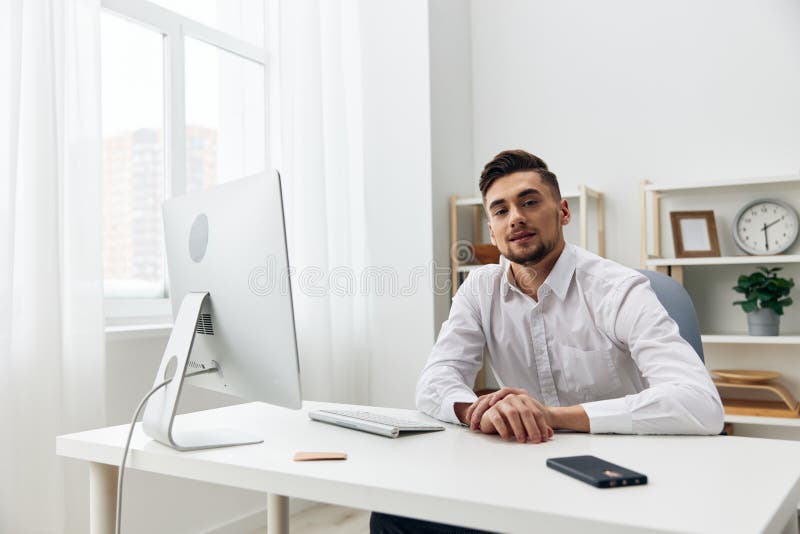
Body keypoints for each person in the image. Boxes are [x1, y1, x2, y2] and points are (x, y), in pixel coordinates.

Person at [370, 149, 723, 534]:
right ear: (492, 230)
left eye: (530, 202)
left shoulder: (618, 290)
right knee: (394, 516)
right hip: (525, 475)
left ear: (563, 212)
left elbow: (701, 405)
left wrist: (552, 418)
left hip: (619, 478)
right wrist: (481, 411)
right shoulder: (479, 289)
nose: (516, 217)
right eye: (500, 210)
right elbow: (436, 381)